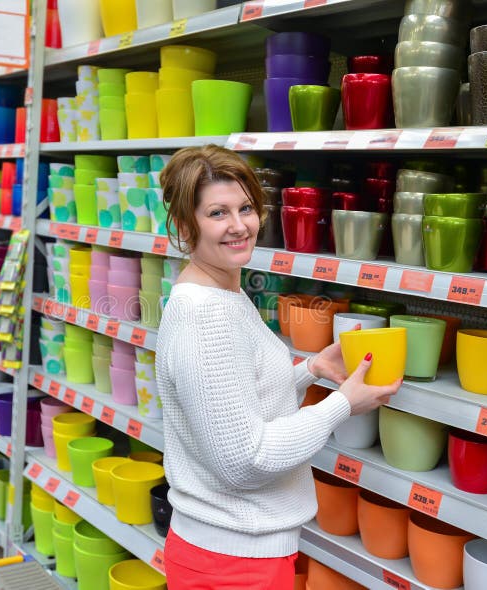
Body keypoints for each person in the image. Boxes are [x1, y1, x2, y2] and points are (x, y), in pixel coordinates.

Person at [155, 145, 402, 589]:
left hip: (231, 551)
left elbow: (236, 401)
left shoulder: (222, 294)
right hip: (232, 562)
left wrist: (310, 369)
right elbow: (245, 460)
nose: (238, 226)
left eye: (245, 208)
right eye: (217, 213)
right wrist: (341, 406)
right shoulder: (205, 315)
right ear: (184, 225)